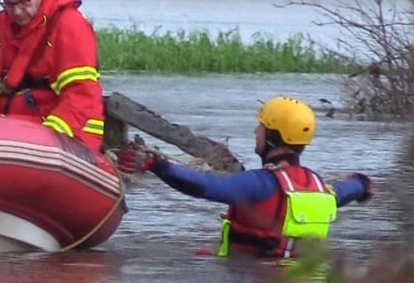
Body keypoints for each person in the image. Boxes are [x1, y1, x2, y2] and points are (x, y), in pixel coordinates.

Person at [117, 96, 375, 258]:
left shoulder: (260, 184)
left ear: (274, 137)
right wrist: (363, 184)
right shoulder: (322, 191)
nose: (255, 130)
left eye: (261, 127)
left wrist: (156, 164)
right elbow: (348, 189)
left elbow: (204, 186)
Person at [0, 0, 106, 152]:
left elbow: (81, 95)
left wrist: (47, 140)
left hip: (73, 136)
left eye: (25, 2)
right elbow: (8, 92)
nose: (18, 12)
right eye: (9, 4)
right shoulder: (12, 28)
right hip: (24, 128)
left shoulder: (68, 24)